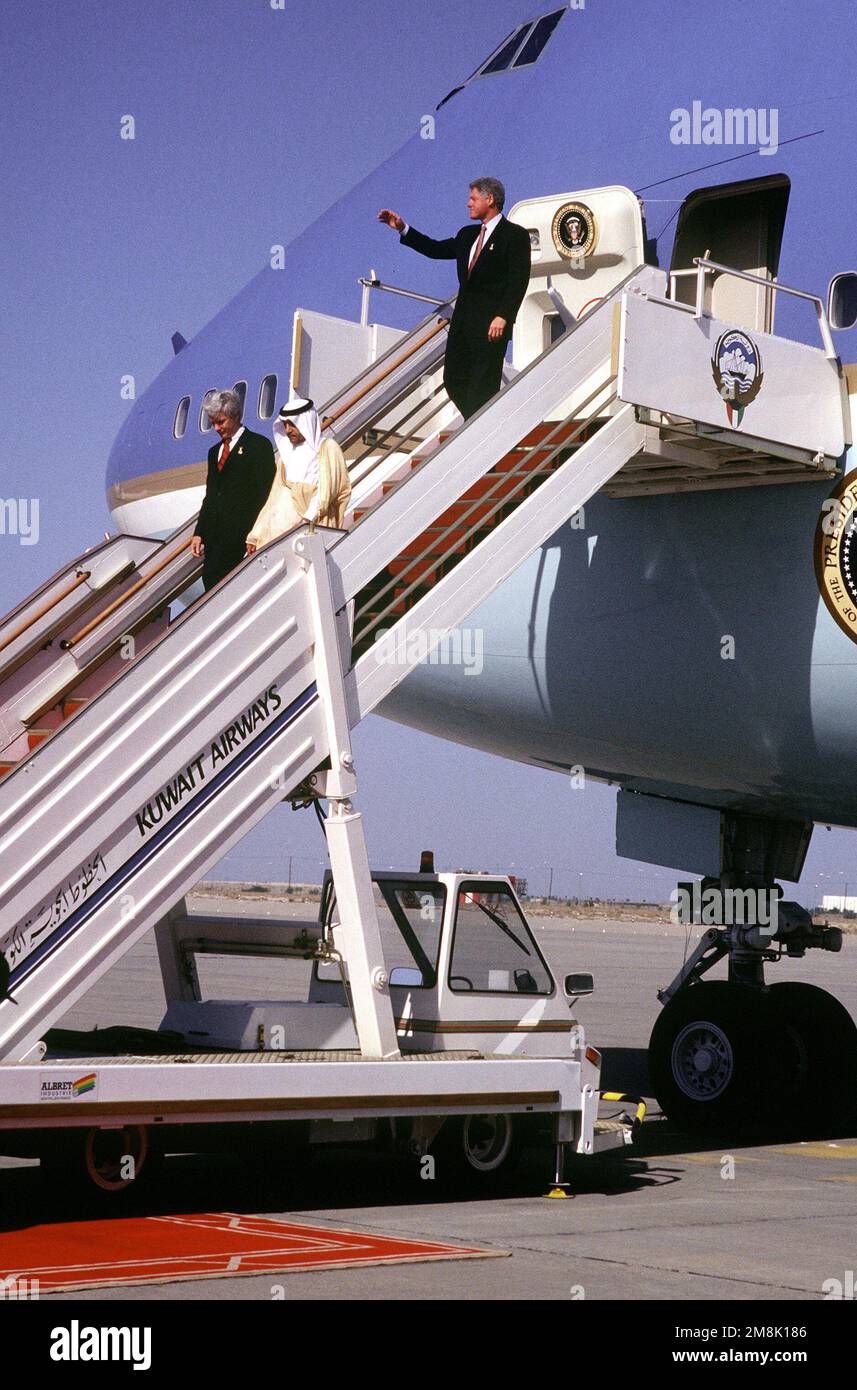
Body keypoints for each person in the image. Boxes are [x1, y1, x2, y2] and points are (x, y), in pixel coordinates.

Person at [378, 177, 531, 420]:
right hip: (462, 325)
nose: (468, 203)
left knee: (483, 385)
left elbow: (518, 280)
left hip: (491, 327)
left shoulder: (515, 236)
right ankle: (479, 426)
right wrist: (402, 228)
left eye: (473, 198)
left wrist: (504, 316)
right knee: (453, 380)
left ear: (489, 199)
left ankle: (480, 435)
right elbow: (435, 249)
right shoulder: (467, 235)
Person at [191, 390, 275, 590]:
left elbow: (266, 493)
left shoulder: (258, 445)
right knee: (212, 589)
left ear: (236, 415)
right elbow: (211, 496)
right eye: (213, 423)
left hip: (243, 539)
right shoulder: (214, 453)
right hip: (216, 543)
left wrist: (258, 533)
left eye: (221, 422)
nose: (217, 428)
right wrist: (199, 532)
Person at [246, 395, 351, 553]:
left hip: (311, 528)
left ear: (306, 422)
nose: (288, 430)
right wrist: (256, 534)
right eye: (285, 424)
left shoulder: (327, 448)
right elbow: (274, 500)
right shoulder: (285, 457)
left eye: (292, 424)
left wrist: (305, 521)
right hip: (280, 532)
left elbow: (326, 492)